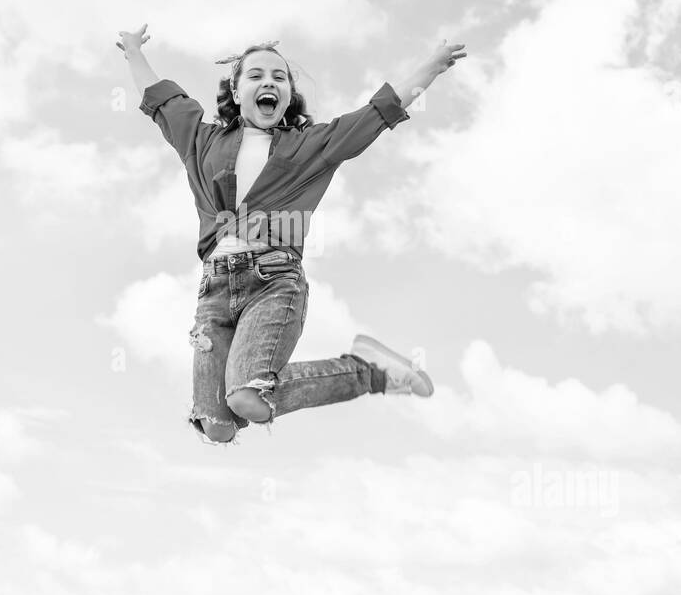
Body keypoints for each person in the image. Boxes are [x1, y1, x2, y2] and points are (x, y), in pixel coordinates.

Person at [119, 24, 466, 444]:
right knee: (218, 426)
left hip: (273, 280)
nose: (269, 83)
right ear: (236, 86)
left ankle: (366, 371)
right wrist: (134, 51)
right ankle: (349, 372)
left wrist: (430, 68)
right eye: (257, 75)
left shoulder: (311, 145)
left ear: (288, 94)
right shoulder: (201, 138)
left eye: (279, 77)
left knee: (249, 396)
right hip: (214, 290)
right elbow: (159, 98)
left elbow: (378, 113)